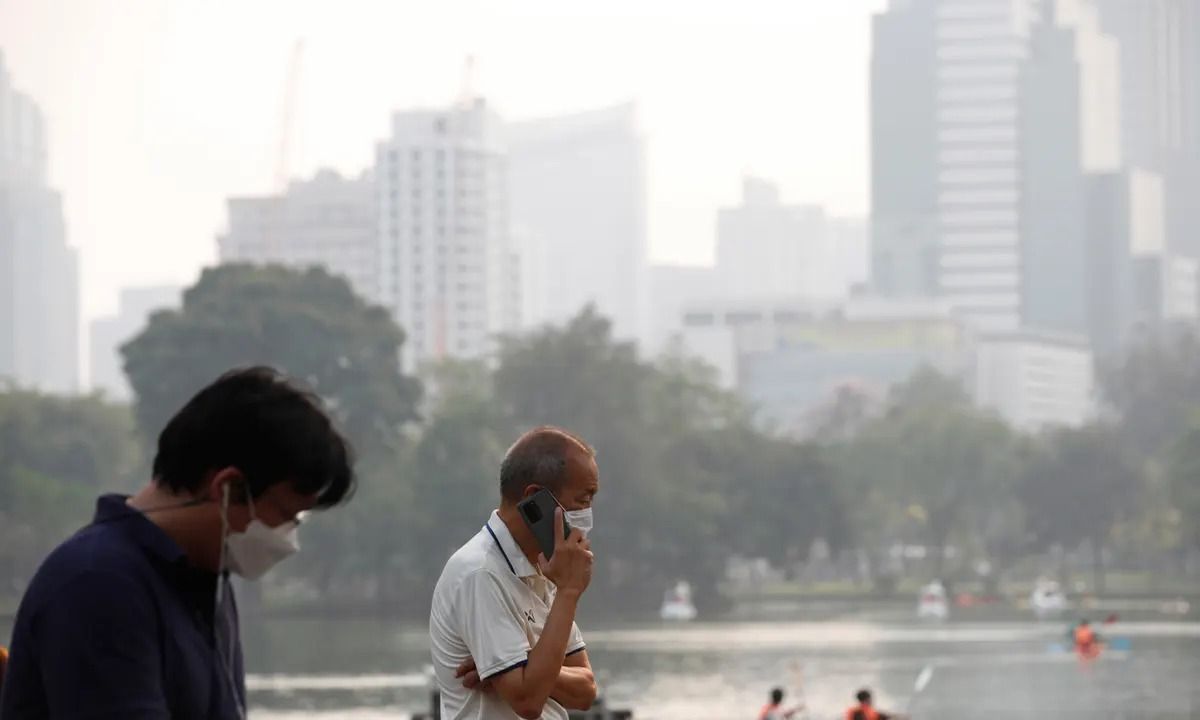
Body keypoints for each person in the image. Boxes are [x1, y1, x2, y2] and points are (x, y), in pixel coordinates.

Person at [0, 367, 355, 719]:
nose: (288, 536)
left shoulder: (207, 580)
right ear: (228, 488)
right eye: (286, 515)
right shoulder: (98, 582)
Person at [430, 426, 599, 720]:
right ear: (536, 500)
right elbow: (528, 700)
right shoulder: (480, 573)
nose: (587, 513)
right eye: (583, 500)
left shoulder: (544, 570)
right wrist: (570, 592)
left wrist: (525, 666)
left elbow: (585, 690)